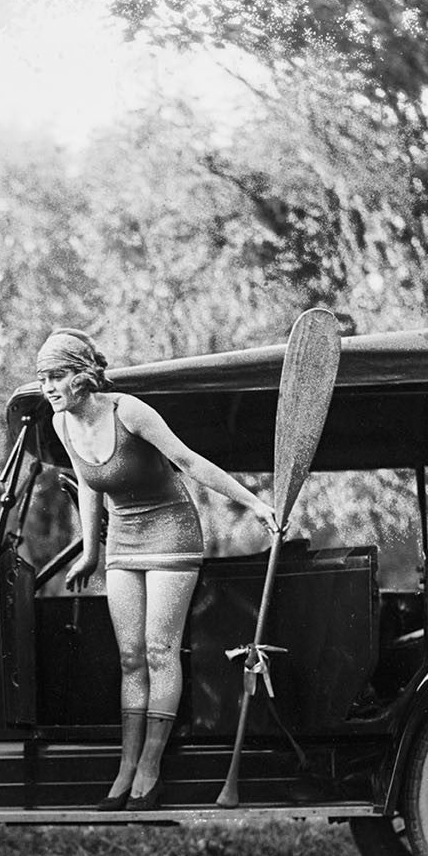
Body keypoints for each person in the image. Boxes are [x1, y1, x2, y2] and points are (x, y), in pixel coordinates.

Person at [37, 329, 279, 810]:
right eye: (42, 376)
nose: (48, 385)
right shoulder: (63, 423)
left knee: (158, 649)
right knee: (129, 656)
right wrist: (90, 551)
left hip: (171, 530)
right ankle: (125, 768)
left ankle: (150, 769)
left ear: (82, 376)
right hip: (123, 538)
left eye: (57, 375)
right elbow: (90, 486)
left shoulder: (128, 411)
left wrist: (254, 503)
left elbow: (188, 461)